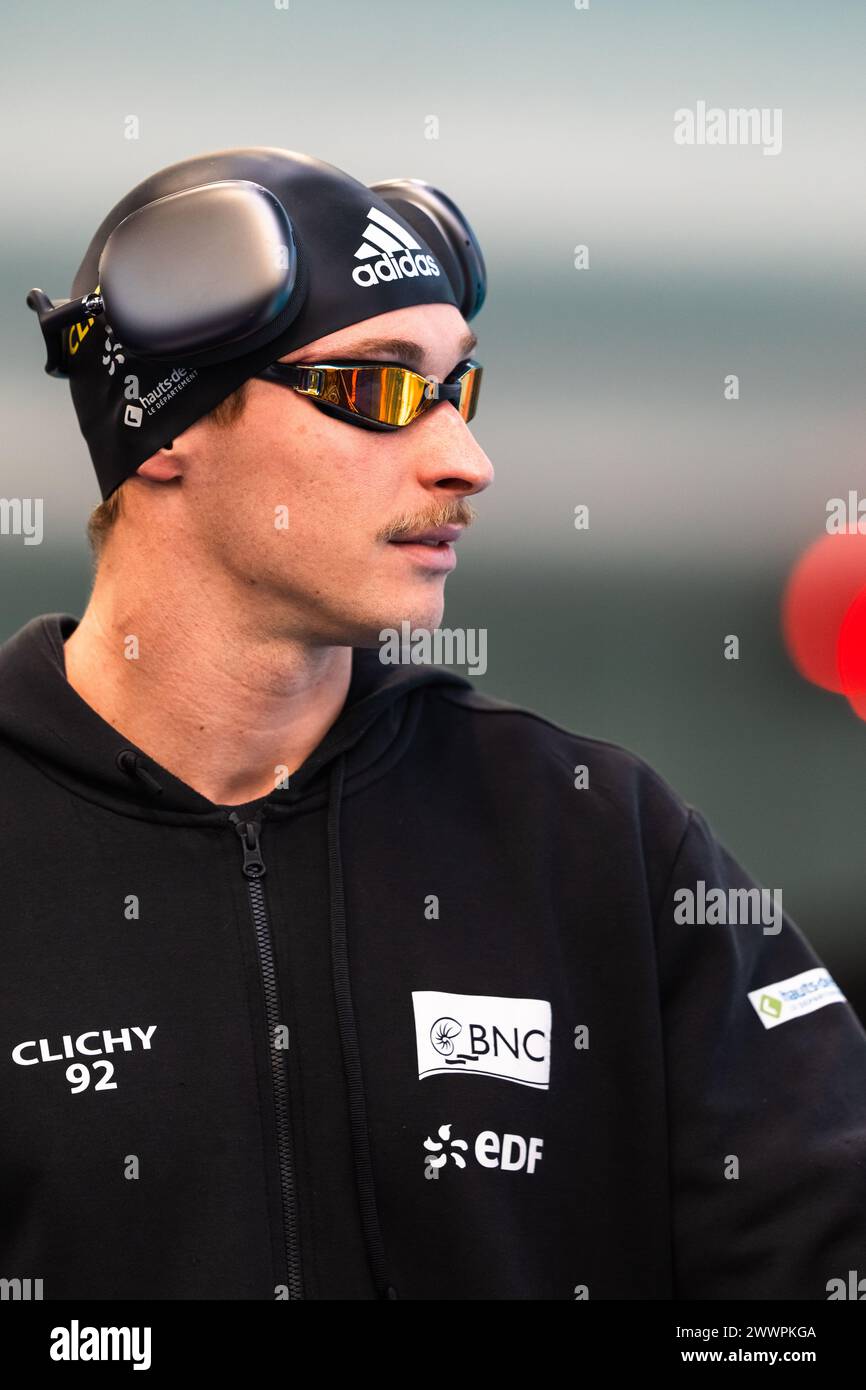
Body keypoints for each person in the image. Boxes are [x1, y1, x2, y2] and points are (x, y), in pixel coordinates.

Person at [2, 145, 865, 1302]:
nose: (465, 461)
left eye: (457, 389)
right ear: (162, 434)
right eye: (376, 388)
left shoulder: (593, 839)